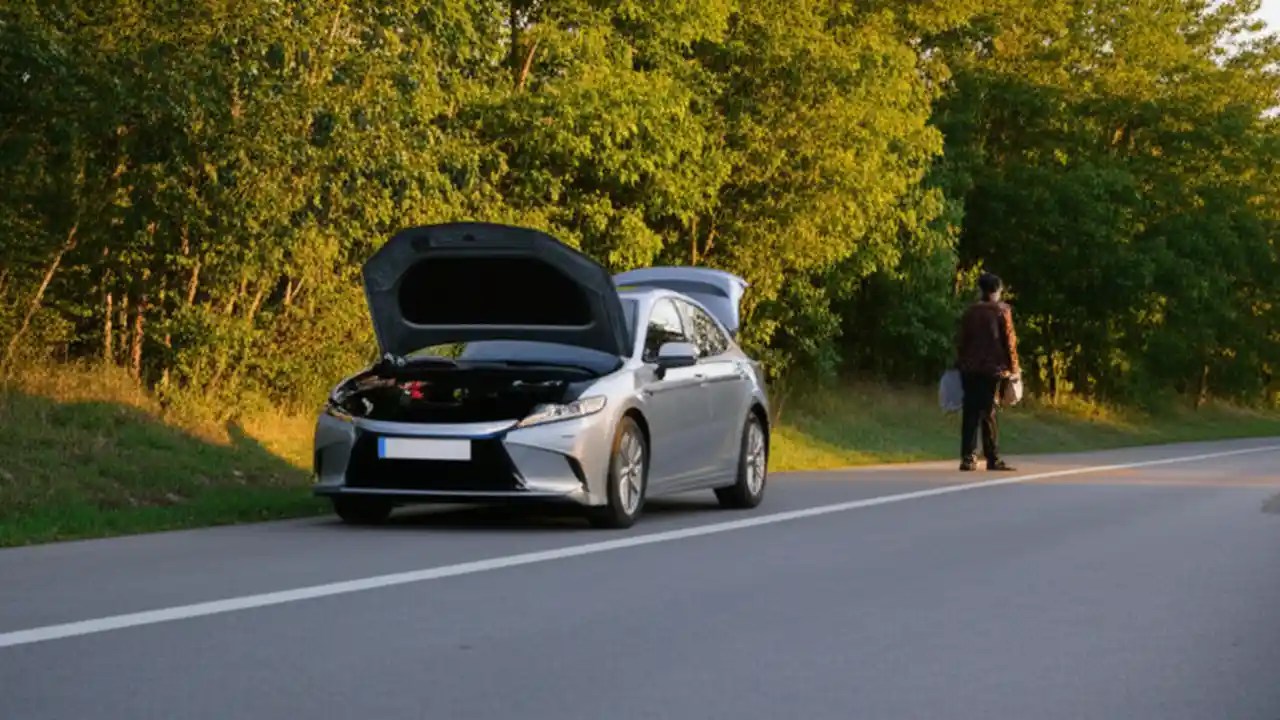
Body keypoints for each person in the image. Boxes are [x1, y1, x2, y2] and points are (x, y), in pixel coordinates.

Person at [955, 272, 1020, 472]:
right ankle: (992, 457)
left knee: (970, 412)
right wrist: (1014, 369)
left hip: (969, 368)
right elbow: (1009, 342)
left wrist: (960, 362)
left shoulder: (970, 312)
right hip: (992, 369)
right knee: (989, 412)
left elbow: (961, 340)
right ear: (998, 290)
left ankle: (968, 457)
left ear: (980, 290)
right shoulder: (1002, 311)